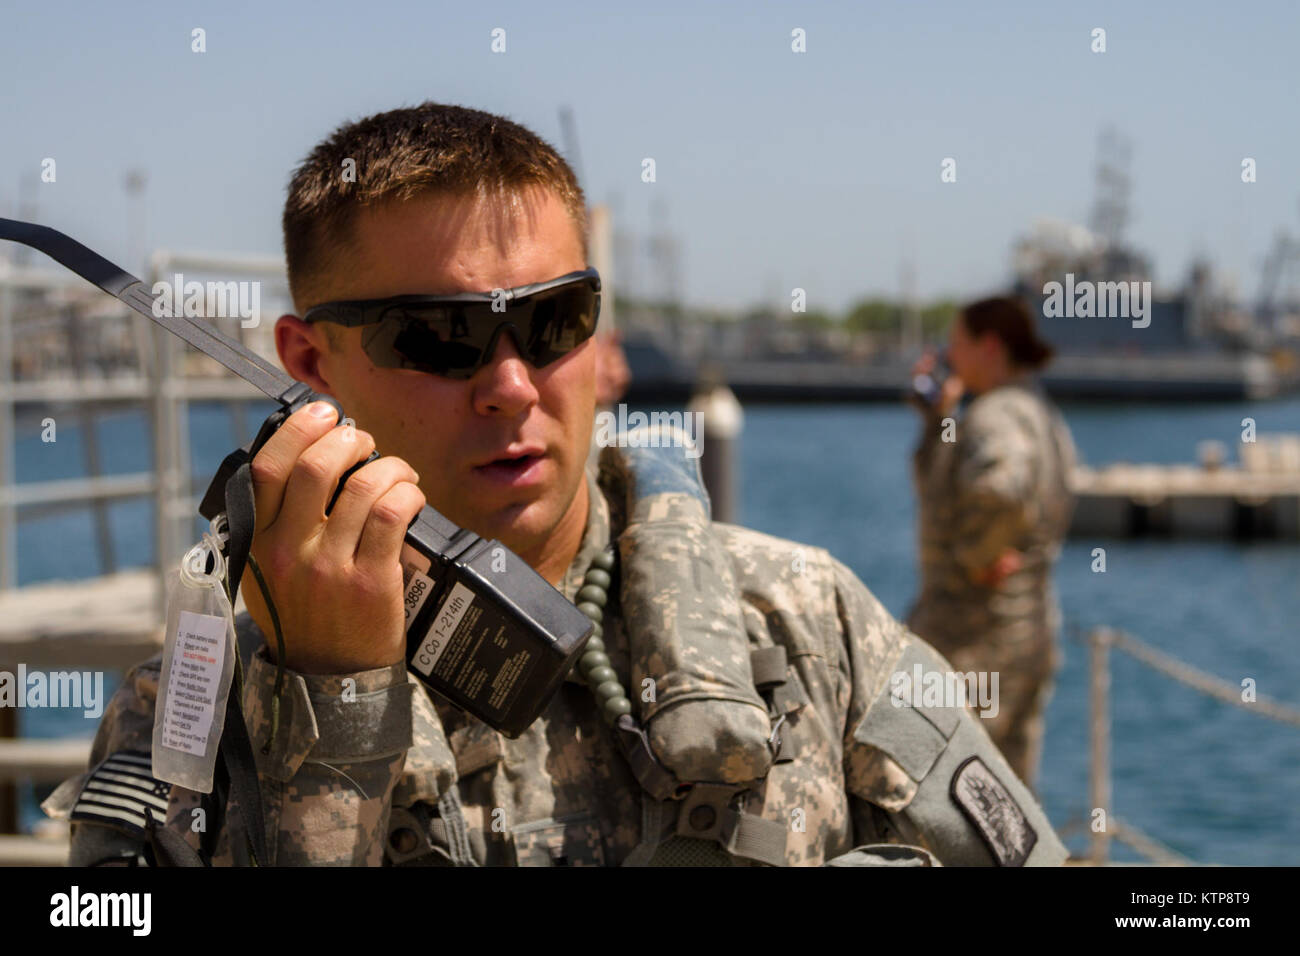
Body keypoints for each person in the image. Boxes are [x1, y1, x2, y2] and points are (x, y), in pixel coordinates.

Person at [45, 104, 1067, 867]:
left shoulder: (805, 623)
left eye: (553, 319)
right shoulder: (189, 712)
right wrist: (335, 706)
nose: (510, 384)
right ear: (308, 361)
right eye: (435, 335)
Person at [906, 297, 1078, 789]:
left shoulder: (996, 415)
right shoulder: (1037, 412)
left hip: (975, 635)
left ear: (990, 346)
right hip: (1027, 626)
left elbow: (1002, 489)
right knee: (1006, 796)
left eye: (956, 343)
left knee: (946, 788)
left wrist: (973, 558)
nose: (948, 355)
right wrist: (937, 419)